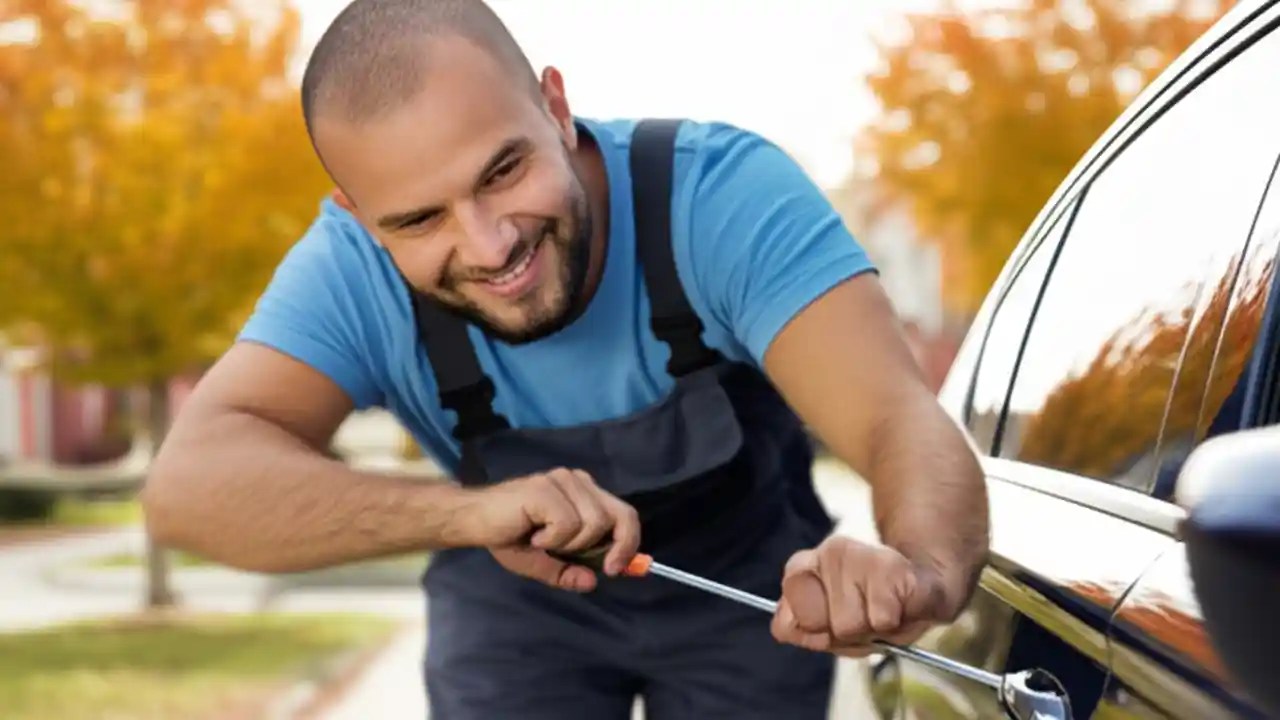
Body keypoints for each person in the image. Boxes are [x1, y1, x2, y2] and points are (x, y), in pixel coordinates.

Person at [141, 0, 990, 717]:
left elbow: (894, 417)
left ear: (554, 106)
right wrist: (466, 516)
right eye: (417, 221)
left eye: (502, 171)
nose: (489, 246)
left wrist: (918, 569)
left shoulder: (720, 197)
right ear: (358, 216)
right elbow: (188, 492)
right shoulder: (347, 275)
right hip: (514, 605)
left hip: (750, 598)